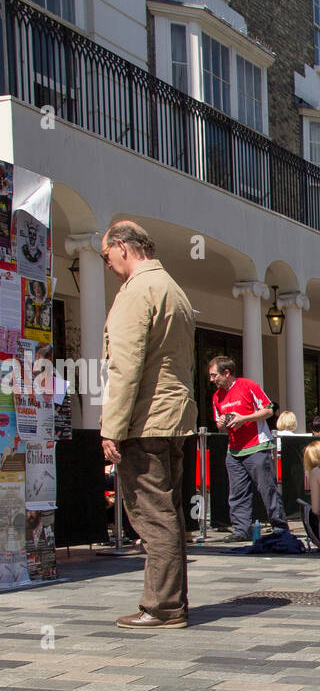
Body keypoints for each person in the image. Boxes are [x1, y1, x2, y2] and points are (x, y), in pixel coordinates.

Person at [99, 220, 196, 629]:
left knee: (153, 516)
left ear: (122, 247)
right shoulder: (173, 288)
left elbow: (125, 366)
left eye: (106, 256)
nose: (107, 264)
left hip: (146, 420)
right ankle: (171, 602)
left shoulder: (137, 290)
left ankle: (162, 607)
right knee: (168, 513)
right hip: (173, 417)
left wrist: (111, 428)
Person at [209, 356, 288, 543]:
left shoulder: (247, 386)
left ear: (226, 373)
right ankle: (240, 529)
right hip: (234, 449)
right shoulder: (216, 396)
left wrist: (244, 418)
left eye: (214, 375)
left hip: (256, 446)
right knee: (237, 492)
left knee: (267, 488)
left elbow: (269, 410)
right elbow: (219, 424)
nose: (212, 380)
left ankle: (279, 527)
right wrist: (221, 424)